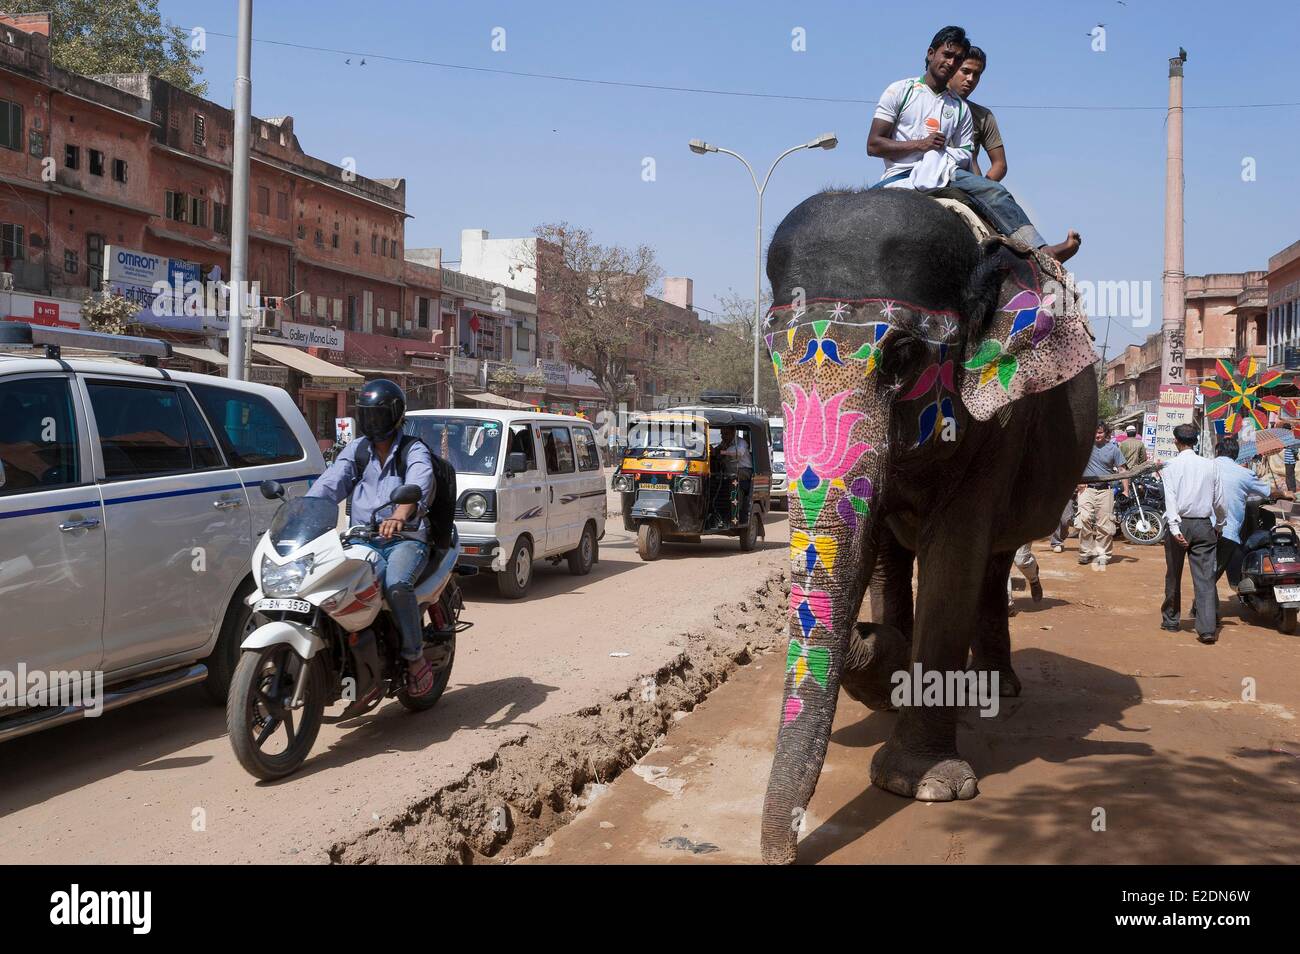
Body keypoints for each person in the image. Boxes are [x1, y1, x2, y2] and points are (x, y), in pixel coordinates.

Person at [868, 25, 1081, 262]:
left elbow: (968, 158)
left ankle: (1039, 253)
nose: (951, 63)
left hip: (944, 175)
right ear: (931, 54)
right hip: (900, 176)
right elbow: (874, 146)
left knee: (993, 194)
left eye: (957, 59)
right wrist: (921, 145)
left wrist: (977, 181)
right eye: (947, 55)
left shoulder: (960, 109)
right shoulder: (900, 90)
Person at [307, 379, 437, 696]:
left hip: (405, 539)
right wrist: (307, 509)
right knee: (332, 587)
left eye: (379, 416)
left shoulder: (413, 450)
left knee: (395, 585)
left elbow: (418, 485)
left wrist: (399, 515)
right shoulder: (358, 450)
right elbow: (330, 483)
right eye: (368, 416)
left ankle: (414, 657)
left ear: (394, 416)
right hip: (363, 539)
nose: (373, 422)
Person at [1161, 423, 1227, 644]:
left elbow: (1170, 497)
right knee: (1205, 578)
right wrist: (1220, 524)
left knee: (1173, 574)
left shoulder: (1170, 465)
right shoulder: (1210, 466)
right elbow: (1219, 501)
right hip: (1203, 525)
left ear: (1176, 441)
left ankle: (1171, 620)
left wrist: (1174, 527)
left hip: (1178, 524)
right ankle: (1207, 629)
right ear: (1196, 441)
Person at [1212, 435, 1275, 586]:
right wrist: (1286, 493)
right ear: (1236, 454)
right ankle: (1202, 608)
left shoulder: (1205, 467)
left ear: (1217, 451)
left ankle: (1201, 607)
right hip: (1228, 531)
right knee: (1212, 575)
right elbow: (1268, 491)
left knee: (1205, 573)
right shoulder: (1244, 474)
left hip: (1202, 529)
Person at [947, 46, 1005, 181]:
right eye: (965, 71)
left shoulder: (984, 115)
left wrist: (983, 187)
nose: (970, 79)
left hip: (969, 184)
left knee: (1003, 200)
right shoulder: (925, 102)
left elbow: (1000, 164)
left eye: (976, 74)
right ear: (952, 69)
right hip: (926, 179)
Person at [1076, 422, 1131, 566]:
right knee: (1083, 519)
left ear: (1105, 433)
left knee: (1105, 525)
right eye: (1094, 432)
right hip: (1086, 489)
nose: (1097, 435)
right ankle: (1085, 552)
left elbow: (1123, 470)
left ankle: (1103, 554)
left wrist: (1126, 490)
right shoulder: (1084, 448)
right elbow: (1074, 465)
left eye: (1100, 432)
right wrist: (1077, 481)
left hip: (1106, 490)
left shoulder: (1114, 450)